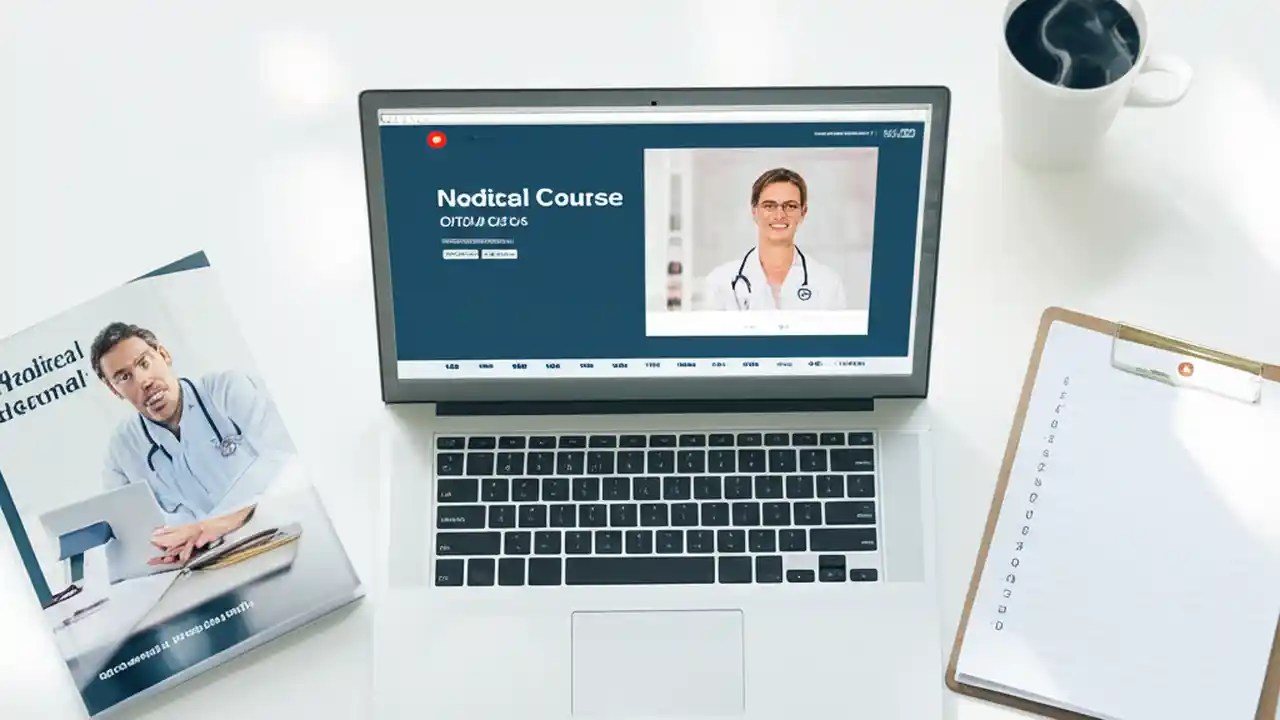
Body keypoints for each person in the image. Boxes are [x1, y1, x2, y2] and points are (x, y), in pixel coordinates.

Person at [91, 322, 296, 565]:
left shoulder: (227, 389)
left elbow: (288, 458)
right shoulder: (122, 450)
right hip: (204, 563)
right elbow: (125, 532)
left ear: (164, 354)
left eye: (144, 363)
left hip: (280, 535)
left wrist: (220, 523)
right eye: (124, 377)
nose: (143, 381)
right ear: (114, 389)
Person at [702, 167, 847, 311]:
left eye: (790, 206)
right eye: (769, 206)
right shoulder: (720, 282)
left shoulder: (828, 283)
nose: (779, 215)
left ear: (803, 212)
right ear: (754, 211)